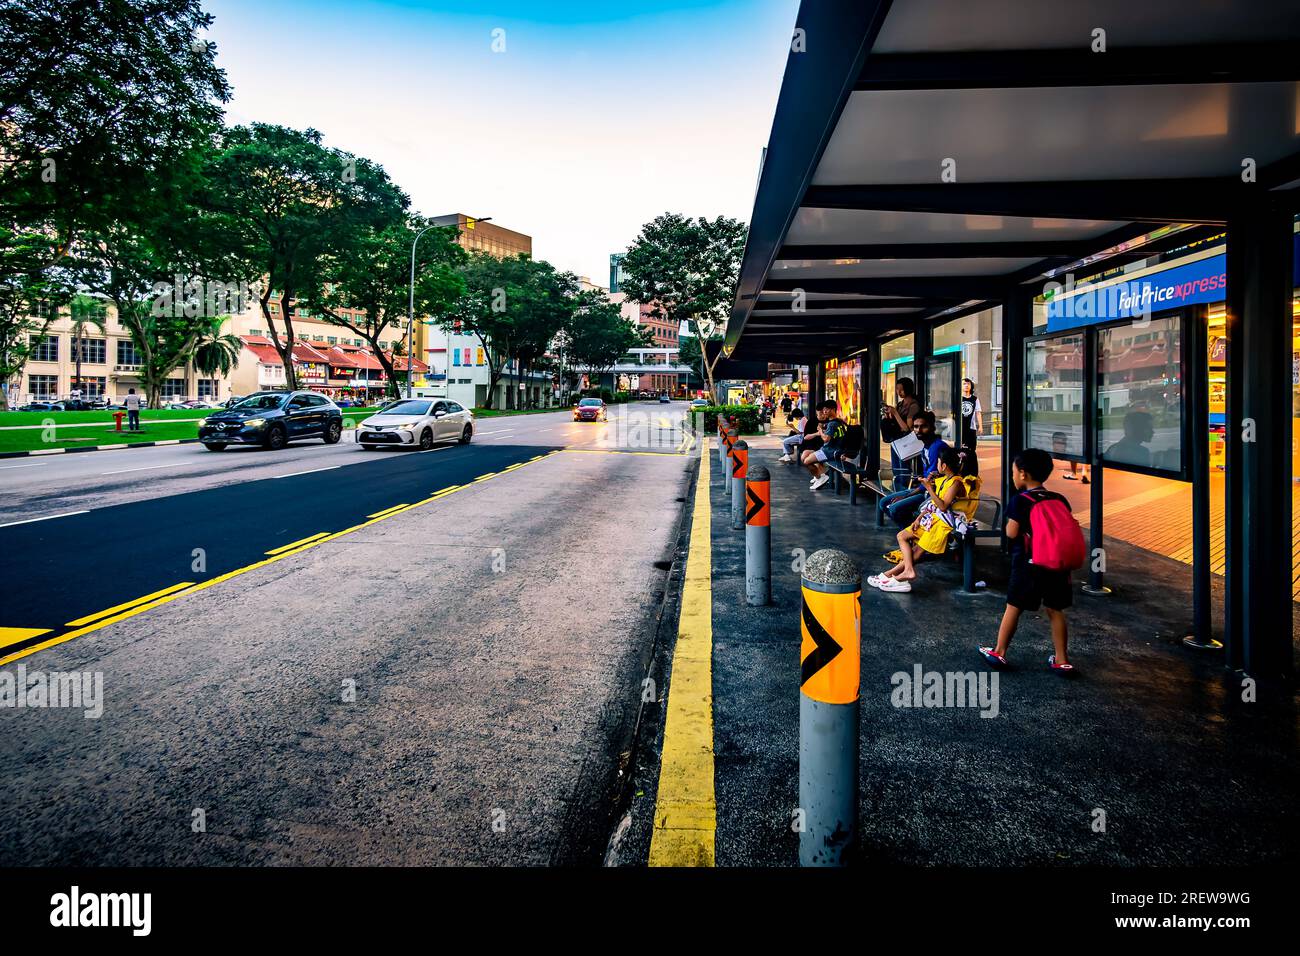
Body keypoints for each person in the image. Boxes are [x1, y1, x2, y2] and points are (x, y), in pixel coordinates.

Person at [979, 447, 1075, 673]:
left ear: (1022, 474)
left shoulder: (1020, 500)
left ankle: (999, 652)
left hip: (1029, 564)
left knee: (1014, 607)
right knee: (1055, 609)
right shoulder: (1059, 498)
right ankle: (1062, 659)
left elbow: (1012, 533)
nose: (1012, 476)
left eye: (1013, 471)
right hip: (1057, 565)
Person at [868, 448, 970, 593]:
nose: (937, 466)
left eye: (939, 463)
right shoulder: (944, 480)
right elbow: (933, 505)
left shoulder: (956, 483)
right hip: (933, 519)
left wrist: (929, 488)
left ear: (944, 466)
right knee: (902, 536)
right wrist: (919, 518)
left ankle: (892, 575)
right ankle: (903, 572)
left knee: (916, 552)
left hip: (942, 524)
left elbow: (942, 506)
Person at [876, 410, 950, 528]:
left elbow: (930, 482)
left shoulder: (937, 447)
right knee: (883, 503)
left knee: (894, 508)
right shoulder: (924, 446)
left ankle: (911, 534)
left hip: (933, 493)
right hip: (923, 488)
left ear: (932, 427)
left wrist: (906, 496)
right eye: (916, 427)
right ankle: (910, 531)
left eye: (923, 426)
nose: (918, 430)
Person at [881, 377, 921, 487]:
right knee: (896, 467)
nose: (898, 392)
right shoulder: (900, 404)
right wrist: (889, 414)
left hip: (906, 441)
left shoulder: (913, 405)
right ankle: (897, 488)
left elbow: (906, 428)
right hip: (896, 439)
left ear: (907, 389)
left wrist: (895, 413)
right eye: (897, 389)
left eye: (901, 389)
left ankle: (903, 489)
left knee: (903, 467)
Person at [801, 400, 847, 490]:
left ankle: (820, 477)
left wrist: (820, 431)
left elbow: (826, 439)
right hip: (835, 450)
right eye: (824, 409)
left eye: (827, 409)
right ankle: (820, 477)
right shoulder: (839, 422)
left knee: (806, 461)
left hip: (829, 451)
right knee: (807, 457)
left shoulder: (832, 424)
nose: (825, 411)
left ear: (833, 409)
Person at [959, 378, 982, 448]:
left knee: (971, 447)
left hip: (971, 427)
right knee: (961, 447)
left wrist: (980, 426)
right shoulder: (958, 398)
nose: (966, 385)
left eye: (968, 384)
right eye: (964, 384)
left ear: (971, 386)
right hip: (960, 427)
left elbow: (978, 413)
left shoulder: (975, 399)